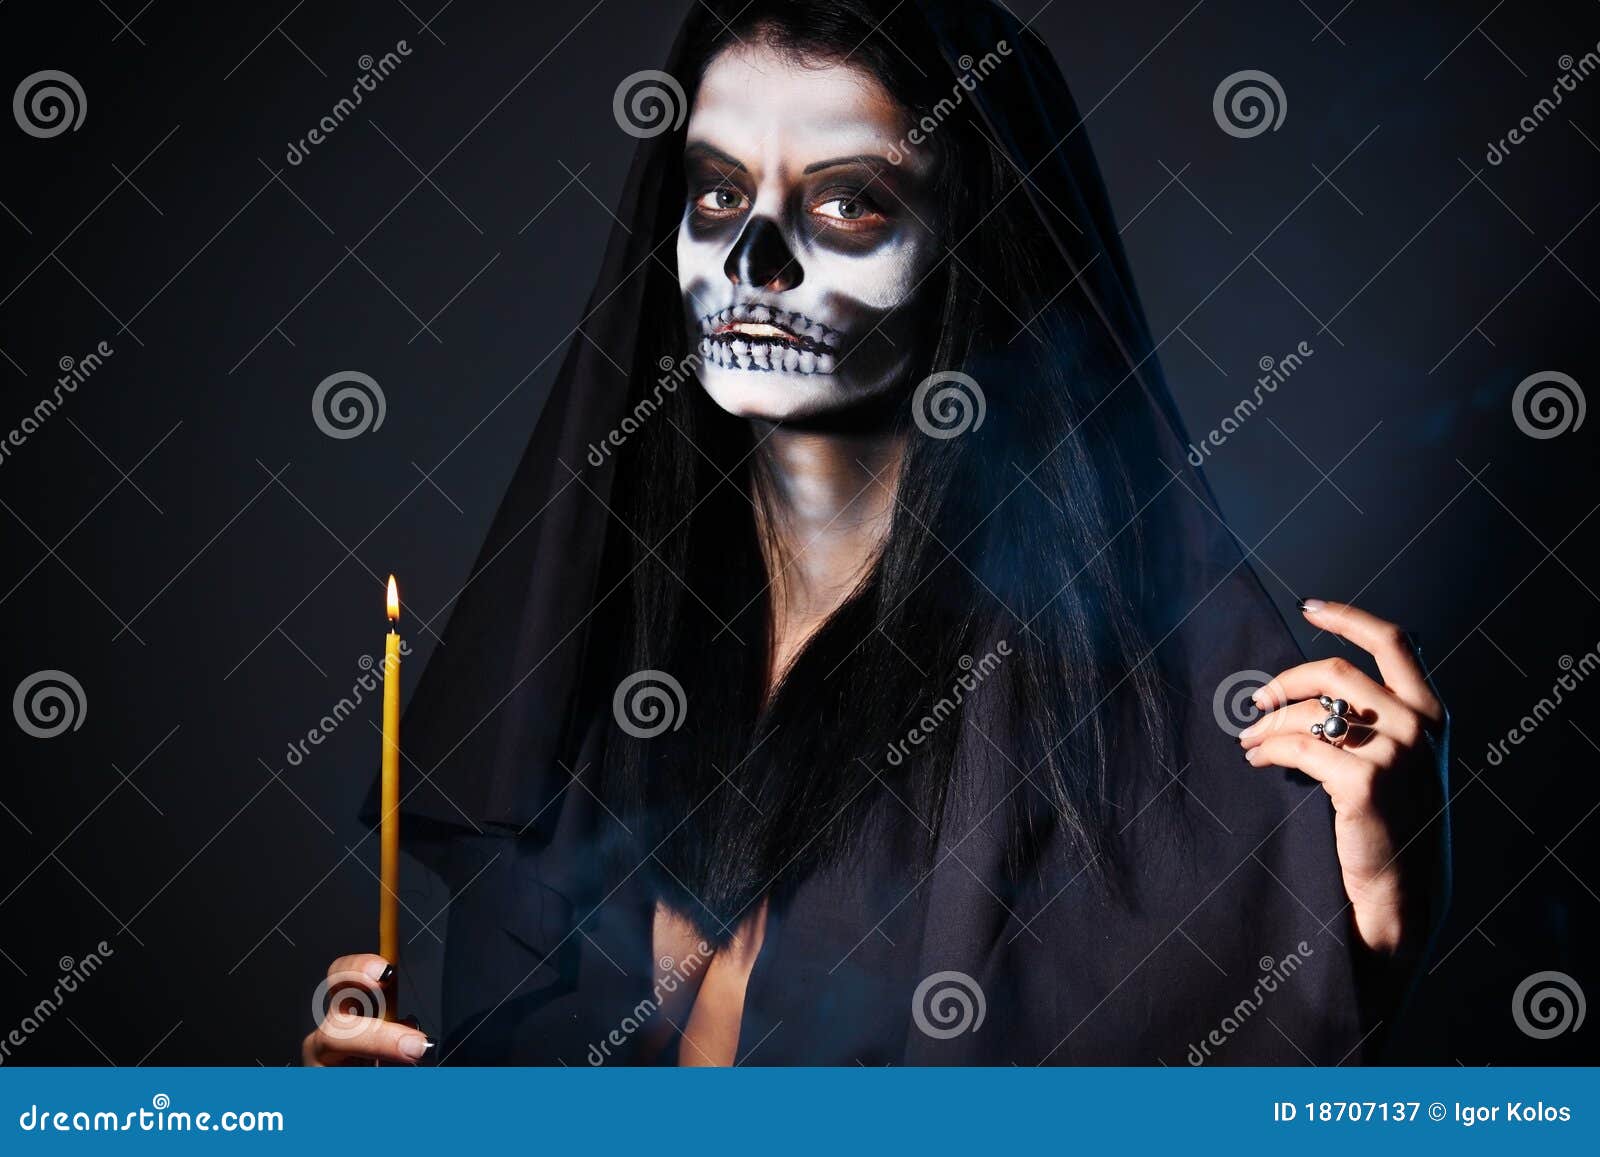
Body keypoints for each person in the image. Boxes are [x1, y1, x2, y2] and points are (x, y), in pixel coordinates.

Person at [303, 0, 1448, 1067]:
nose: (754, 261)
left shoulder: (1125, 694)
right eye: (717, 193)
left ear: (968, 242)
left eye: (847, 201)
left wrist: (1364, 929)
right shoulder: (599, 659)